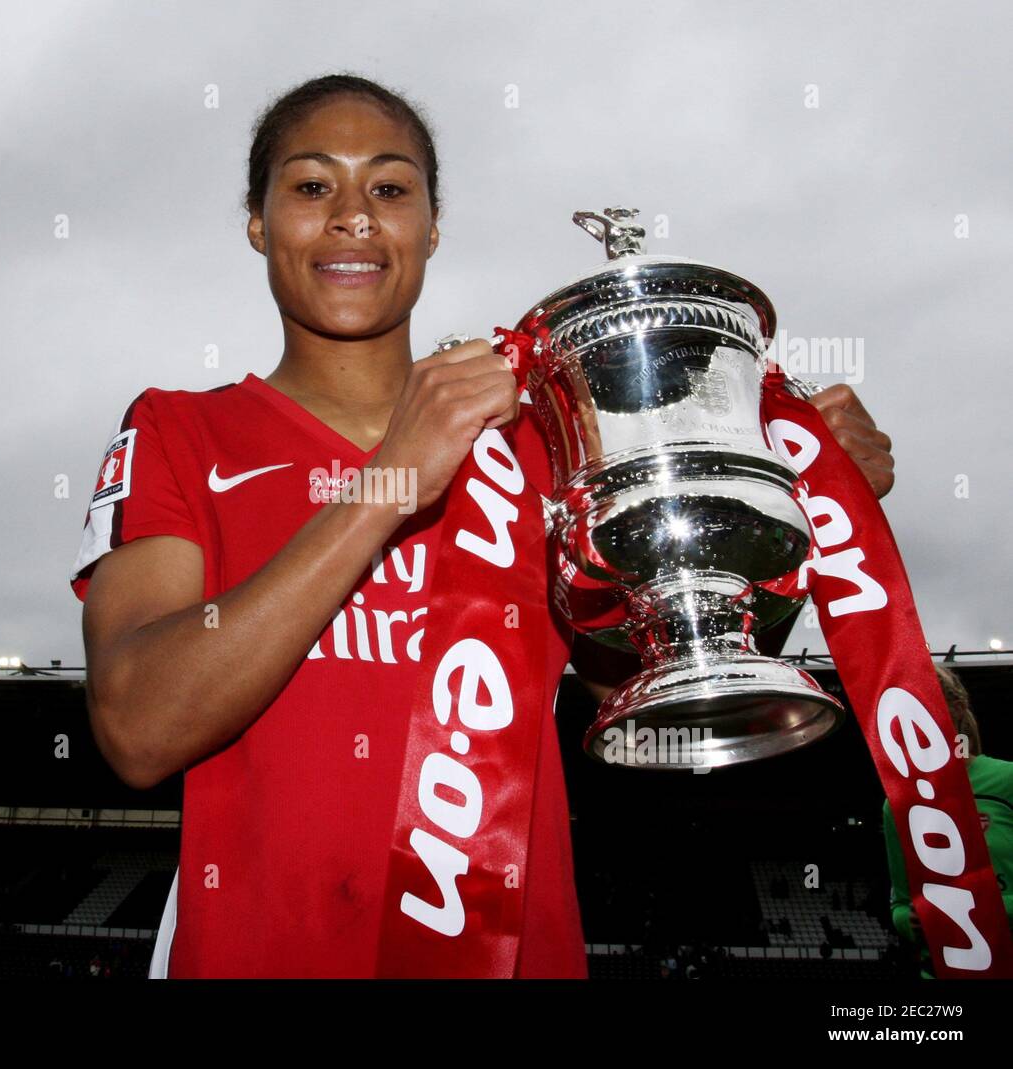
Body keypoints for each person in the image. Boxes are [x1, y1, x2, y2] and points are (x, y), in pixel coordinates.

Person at [71, 73, 896, 979]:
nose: (354, 216)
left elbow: (661, 701)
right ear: (258, 222)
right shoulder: (179, 432)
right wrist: (388, 482)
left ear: (430, 227)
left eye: (390, 188)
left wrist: (789, 500)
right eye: (312, 186)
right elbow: (137, 727)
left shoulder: (531, 452)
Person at [882, 665, 1013, 978]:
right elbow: (900, 902)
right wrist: (911, 920)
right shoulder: (897, 803)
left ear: (956, 710)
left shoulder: (1007, 780)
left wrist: (979, 908)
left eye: (924, 707)